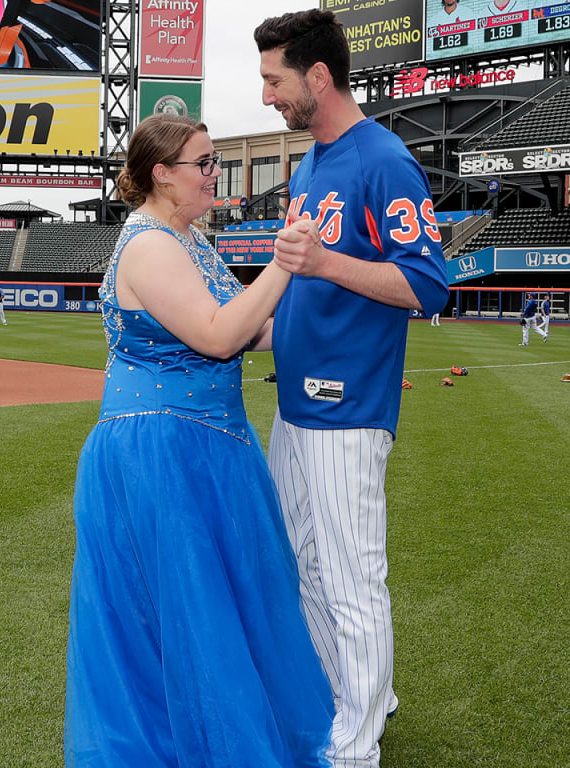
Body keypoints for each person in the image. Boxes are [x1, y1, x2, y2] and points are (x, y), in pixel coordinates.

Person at [64, 114, 333, 766]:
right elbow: (217, 334)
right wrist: (282, 262)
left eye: (214, 161)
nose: (215, 174)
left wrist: (331, 301)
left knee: (226, 606)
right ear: (163, 173)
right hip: (160, 454)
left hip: (206, 447)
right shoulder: (151, 244)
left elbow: (253, 331)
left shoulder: (187, 239)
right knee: (189, 613)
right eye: (204, 163)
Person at [256, 10, 448, 767]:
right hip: (295, 405)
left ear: (319, 76)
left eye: (275, 80)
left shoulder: (383, 160)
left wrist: (325, 263)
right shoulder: (310, 165)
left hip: (348, 407)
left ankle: (355, 749)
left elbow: (429, 286)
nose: (268, 94)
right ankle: (360, 696)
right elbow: (303, 291)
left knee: (352, 579)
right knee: (300, 567)